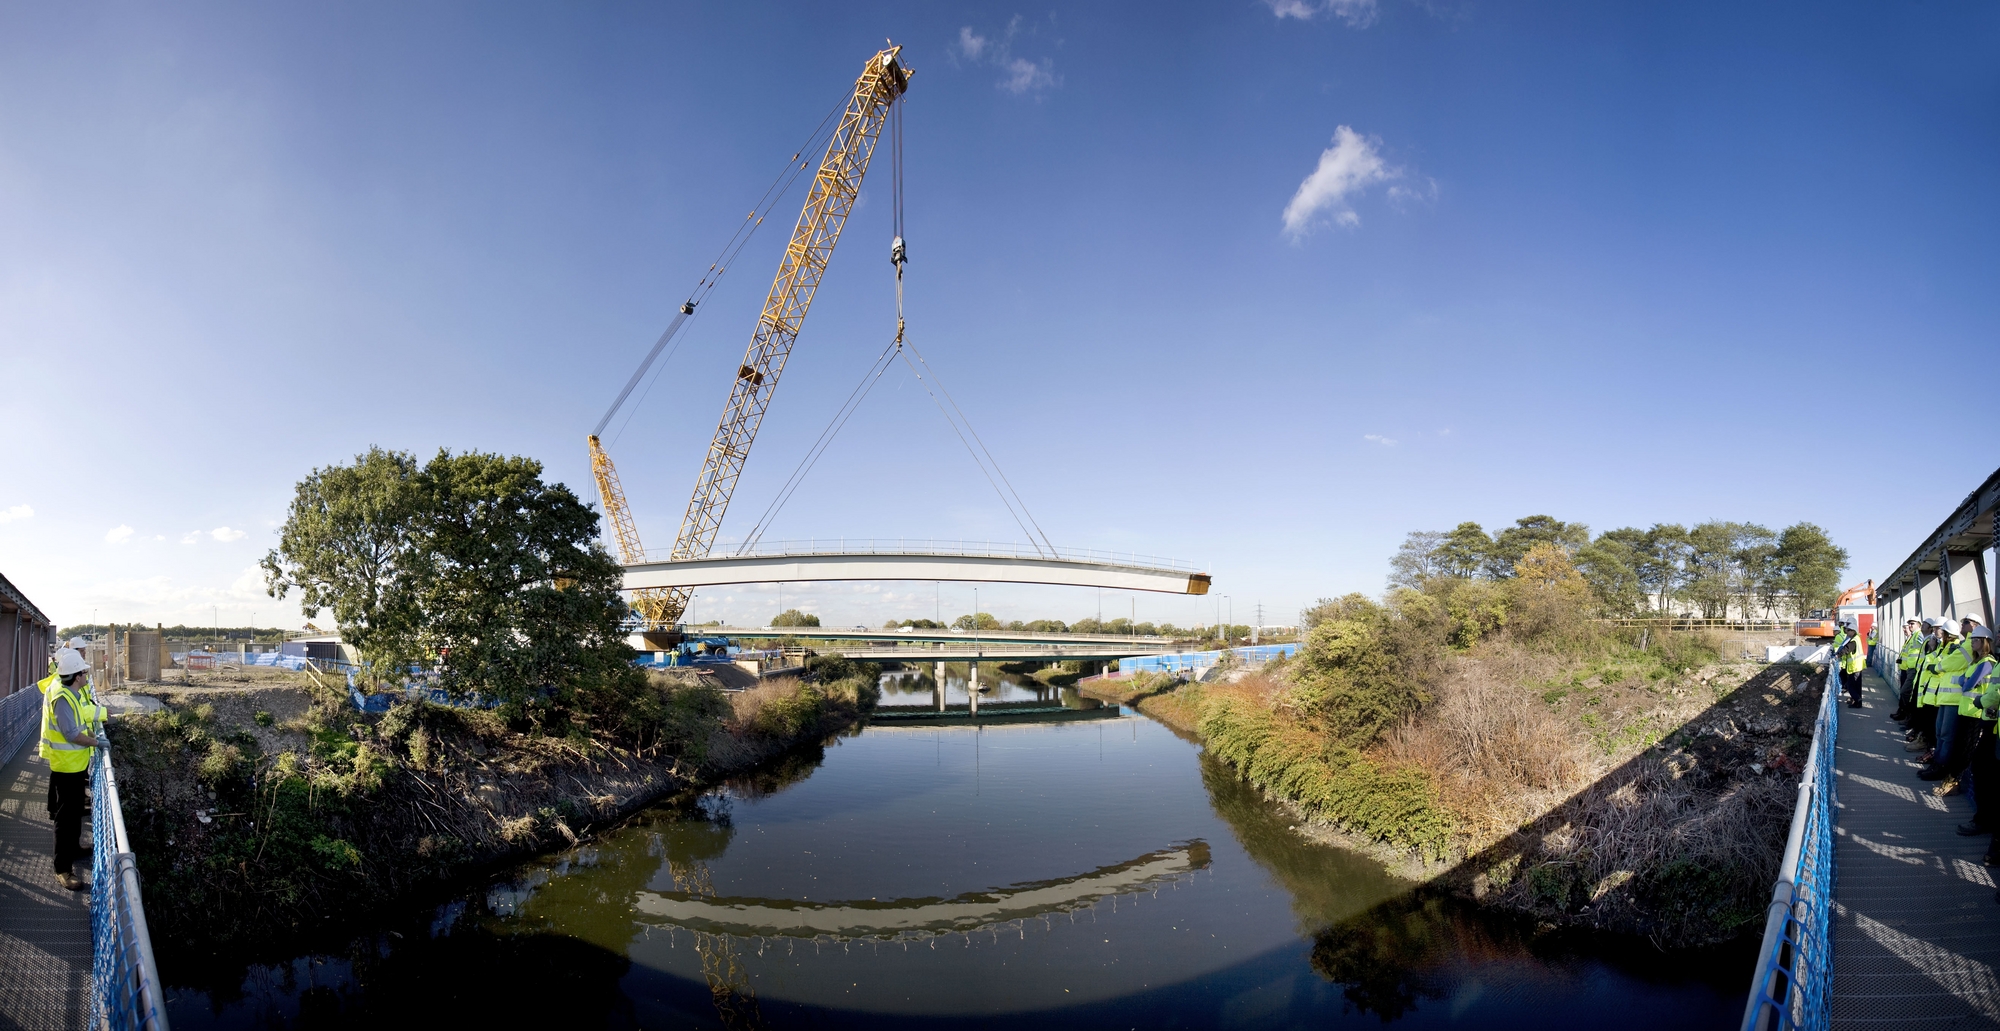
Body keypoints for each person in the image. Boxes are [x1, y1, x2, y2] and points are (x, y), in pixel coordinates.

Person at [40, 648, 104, 891]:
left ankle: (75, 848)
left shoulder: (71, 693)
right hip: (66, 768)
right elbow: (71, 734)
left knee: (75, 811)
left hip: (74, 766)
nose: (87, 675)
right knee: (64, 820)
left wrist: (88, 734)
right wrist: (96, 742)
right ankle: (62, 869)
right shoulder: (64, 698)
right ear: (76, 676)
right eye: (84, 672)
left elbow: (77, 726)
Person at [1895, 617, 1925, 722]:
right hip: (1909, 668)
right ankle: (1904, 714)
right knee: (1905, 692)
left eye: (1912, 623)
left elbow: (1925, 648)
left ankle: (1905, 715)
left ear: (1919, 624)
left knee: (1906, 692)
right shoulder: (1913, 636)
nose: (1910, 626)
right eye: (1909, 624)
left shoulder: (1919, 635)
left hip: (1914, 669)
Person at [1836, 617, 1864, 707]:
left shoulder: (1853, 640)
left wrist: (1838, 655)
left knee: (1851, 686)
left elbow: (1846, 649)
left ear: (1852, 631)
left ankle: (1857, 700)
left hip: (1854, 667)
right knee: (1856, 686)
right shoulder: (1856, 638)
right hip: (1856, 666)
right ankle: (1857, 701)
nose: (1846, 632)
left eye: (1848, 630)